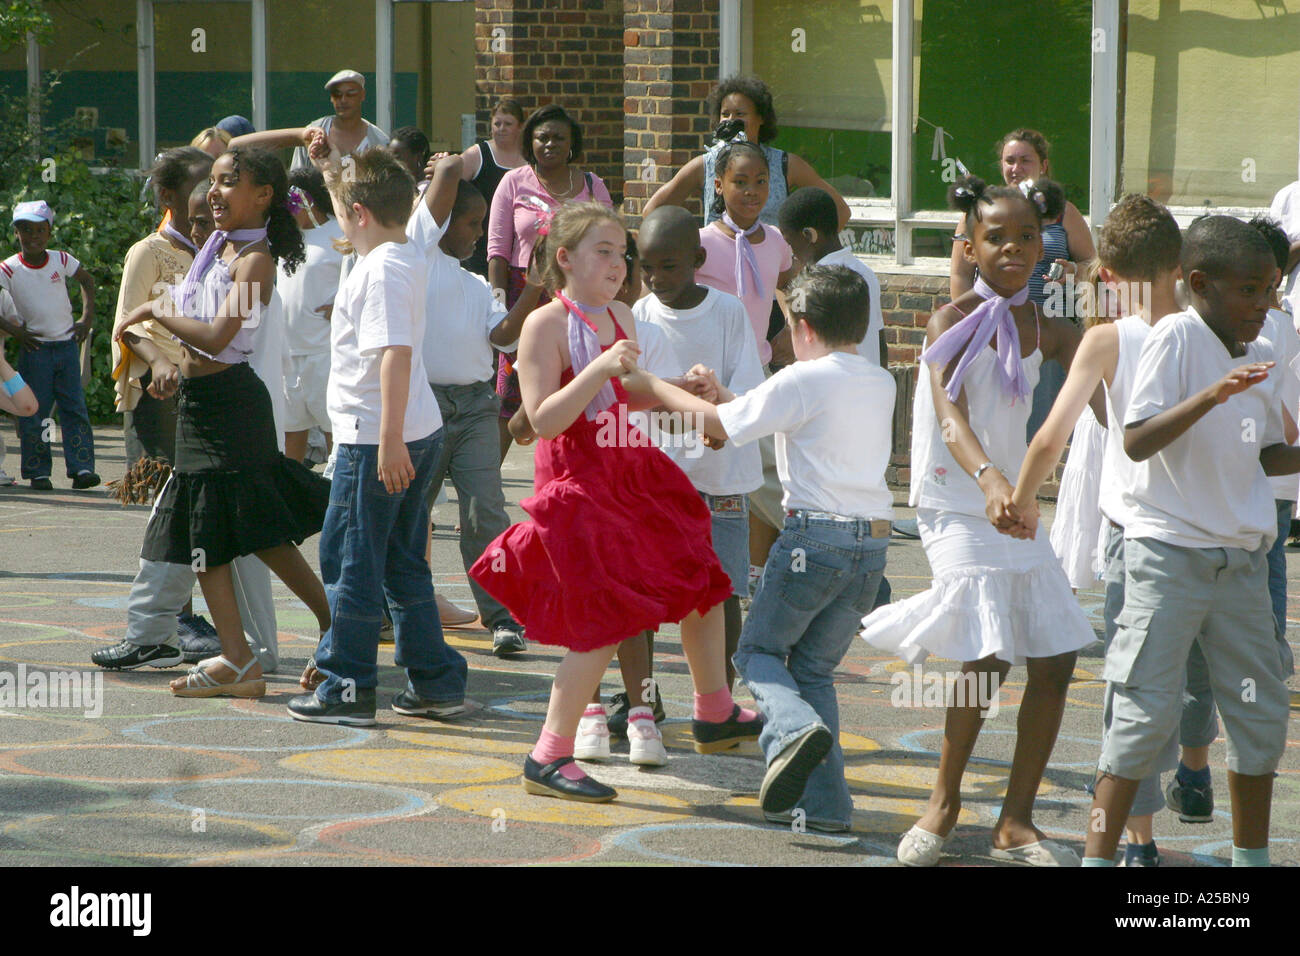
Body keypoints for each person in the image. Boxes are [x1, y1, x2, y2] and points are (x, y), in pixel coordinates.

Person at [469, 201, 761, 802]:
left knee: (703, 581)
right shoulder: (545, 325)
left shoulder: (623, 313)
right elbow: (546, 420)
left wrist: (685, 391)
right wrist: (599, 367)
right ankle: (547, 755)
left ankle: (714, 710)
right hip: (581, 486)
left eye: (620, 254)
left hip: (635, 474)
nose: (617, 263)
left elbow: (631, 393)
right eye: (603, 251)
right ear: (565, 259)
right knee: (603, 623)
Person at [860, 175, 1095, 867]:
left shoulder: (1049, 328)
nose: (1015, 249)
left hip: (1013, 504)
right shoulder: (950, 319)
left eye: (1028, 237)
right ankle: (943, 800)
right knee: (988, 653)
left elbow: (1104, 380)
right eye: (998, 237)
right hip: (955, 500)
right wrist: (991, 478)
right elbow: (950, 416)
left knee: (1055, 660)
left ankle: (1015, 821)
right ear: (970, 243)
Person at [625, 264, 893, 833]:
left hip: (813, 539)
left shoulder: (802, 377)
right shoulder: (879, 379)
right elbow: (744, 416)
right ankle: (824, 808)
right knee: (813, 672)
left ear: (803, 328)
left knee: (756, 654)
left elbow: (723, 423)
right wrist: (717, 392)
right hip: (870, 546)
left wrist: (654, 387)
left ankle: (793, 731)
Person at [1080, 215, 1298, 867]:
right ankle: (1097, 857)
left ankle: (1250, 862)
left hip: (1241, 564)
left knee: (1259, 719)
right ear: (1199, 283)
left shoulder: (1258, 353)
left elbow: (1261, 456)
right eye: (1252, 290)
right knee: (1140, 721)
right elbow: (1138, 439)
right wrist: (1210, 396)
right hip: (1168, 558)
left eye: (1272, 290)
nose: (1264, 304)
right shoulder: (1173, 339)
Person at [112, 147, 331, 698]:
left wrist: (156, 311)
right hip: (200, 404)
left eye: (229, 182)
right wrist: (163, 359)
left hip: (232, 405)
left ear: (263, 196)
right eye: (212, 181)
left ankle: (331, 629)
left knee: (242, 532)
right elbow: (196, 331)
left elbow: (216, 338)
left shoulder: (254, 261)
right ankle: (239, 659)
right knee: (223, 535)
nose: (214, 191)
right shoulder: (216, 243)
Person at [1011, 194, 1186, 866]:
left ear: (1108, 275)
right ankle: (1131, 836)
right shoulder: (1198, 331)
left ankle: (1125, 835)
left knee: (1139, 688)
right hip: (1176, 535)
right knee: (1160, 690)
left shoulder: (1116, 337)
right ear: (1181, 266)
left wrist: (1021, 503)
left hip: (1149, 532)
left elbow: (1049, 435)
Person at [288, 136, 469, 725]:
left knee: (349, 562)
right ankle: (436, 681)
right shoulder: (401, 249)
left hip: (377, 441)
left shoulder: (383, 270)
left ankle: (346, 685)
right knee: (399, 563)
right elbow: (363, 192)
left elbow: (394, 353)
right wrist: (330, 168)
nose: (337, 222)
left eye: (341, 212)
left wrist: (387, 439)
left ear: (359, 215)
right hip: (406, 432)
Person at [413, 161, 534, 658]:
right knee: (412, 512)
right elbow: (429, 207)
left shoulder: (477, 285)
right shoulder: (416, 261)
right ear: (441, 221)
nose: (478, 233)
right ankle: (398, 607)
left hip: (477, 409)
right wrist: (450, 169)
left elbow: (502, 336)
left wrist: (539, 291)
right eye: (469, 222)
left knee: (485, 511)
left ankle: (500, 616)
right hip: (426, 406)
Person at [695, 137, 798, 597]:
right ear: (719, 186)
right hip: (710, 381)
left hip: (756, 375)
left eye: (761, 182)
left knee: (761, 476)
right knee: (729, 479)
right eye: (740, 182)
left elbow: (791, 285)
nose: (751, 191)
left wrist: (792, 330)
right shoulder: (701, 243)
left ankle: (758, 568)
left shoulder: (775, 240)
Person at [949, 129, 1097, 440]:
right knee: (994, 422)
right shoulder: (980, 209)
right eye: (1009, 161)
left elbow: (1092, 265)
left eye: (1025, 161)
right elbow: (960, 273)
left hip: (1044, 329)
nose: (1015, 168)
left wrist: (1073, 270)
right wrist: (968, 322)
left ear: (1043, 165)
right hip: (994, 328)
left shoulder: (1062, 212)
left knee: (1040, 424)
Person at [486, 104, 613, 460]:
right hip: (521, 296)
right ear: (530, 141)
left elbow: (608, 242)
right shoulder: (512, 182)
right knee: (510, 394)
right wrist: (500, 305)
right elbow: (497, 249)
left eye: (559, 137)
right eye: (542, 137)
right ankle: (484, 497)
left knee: (573, 387)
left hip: (577, 298)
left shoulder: (592, 185)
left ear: (572, 143)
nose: (550, 143)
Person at [642, 74, 851, 231]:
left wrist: (803, 258)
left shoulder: (785, 164)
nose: (732, 120)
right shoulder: (705, 165)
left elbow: (840, 210)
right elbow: (652, 211)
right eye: (726, 114)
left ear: (761, 118)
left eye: (740, 114)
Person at [1, 200, 99, 491]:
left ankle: (82, 468)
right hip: (35, 351)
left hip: (66, 346)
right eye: (26, 230)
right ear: (16, 233)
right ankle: (38, 471)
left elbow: (87, 280)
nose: (34, 237)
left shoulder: (61, 260)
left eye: (40, 230)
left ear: (50, 232)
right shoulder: (9, 268)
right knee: (35, 412)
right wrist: (14, 331)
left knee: (74, 407)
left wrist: (86, 318)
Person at [279, 167, 343, 464]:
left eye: (290, 201)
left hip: (325, 352)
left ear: (305, 198)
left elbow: (363, 275)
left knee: (334, 433)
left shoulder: (339, 233)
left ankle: (338, 503)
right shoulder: (284, 238)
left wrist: (343, 302)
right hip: (288, 353)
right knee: (292, 433)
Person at [461, 98, 526, 277]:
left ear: (520, 126)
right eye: (497, 123)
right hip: (479, 246)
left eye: (508, 124)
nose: (501, 128)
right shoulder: (477, 155)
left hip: (517, 250)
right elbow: (452, 187)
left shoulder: (530, 160)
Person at [290, 70, 389, 171]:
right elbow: (297, 177)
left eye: (350, 94)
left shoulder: (379, 141)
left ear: (362, 95)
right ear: (331, 98)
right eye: (337, 95)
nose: (343, 100)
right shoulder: (311, 134)